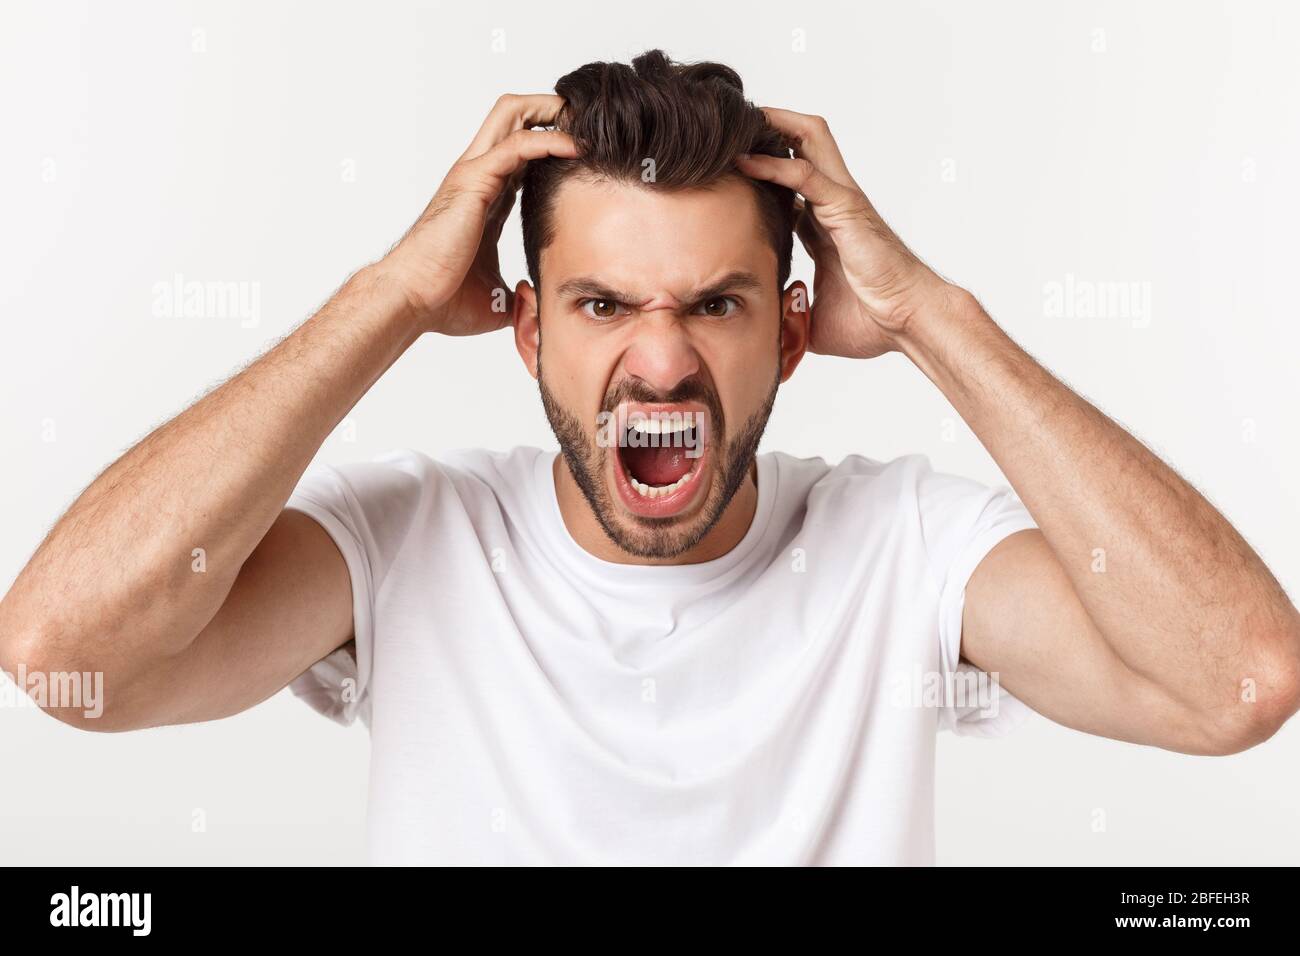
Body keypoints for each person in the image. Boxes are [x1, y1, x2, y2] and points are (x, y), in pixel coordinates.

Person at [2, 50, 1297, 865]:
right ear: (524, 328)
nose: (663, 363)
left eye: (719, 304)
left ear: (794, 337)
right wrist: (391, 296)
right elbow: (65, 658)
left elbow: (1241, 680)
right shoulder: (409, 543)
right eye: (604, 305)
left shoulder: (906, 555)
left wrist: (929, 317)